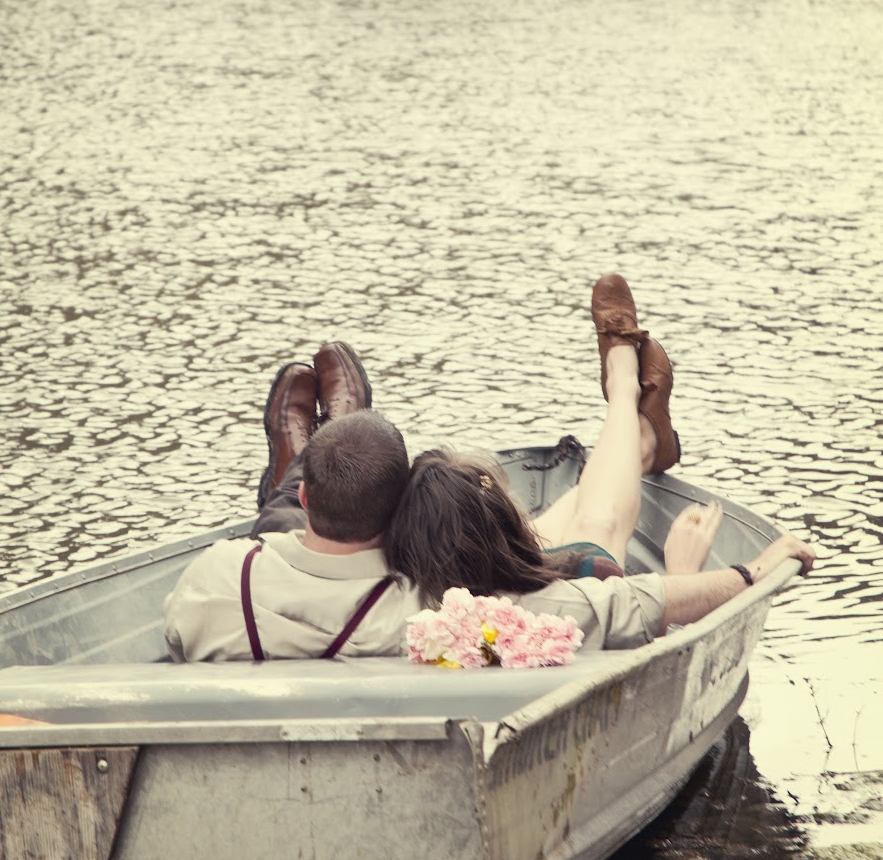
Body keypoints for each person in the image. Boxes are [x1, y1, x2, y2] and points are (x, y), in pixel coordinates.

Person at [384, 274, 815, 650]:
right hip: (566, 596)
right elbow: (650, 610)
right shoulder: (580, 600)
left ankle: (638, 438)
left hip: (476, 581)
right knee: (596, 527)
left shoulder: (386, 601)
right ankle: (627, 399)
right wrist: (697, 572)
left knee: (578, 521)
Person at [164, 342, 423, 662]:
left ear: (305, 498)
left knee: (278, 526)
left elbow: (176, 643)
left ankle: (298, 463)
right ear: (403, 509)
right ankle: (305, 456)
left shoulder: (217, 573)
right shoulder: (420, 613)